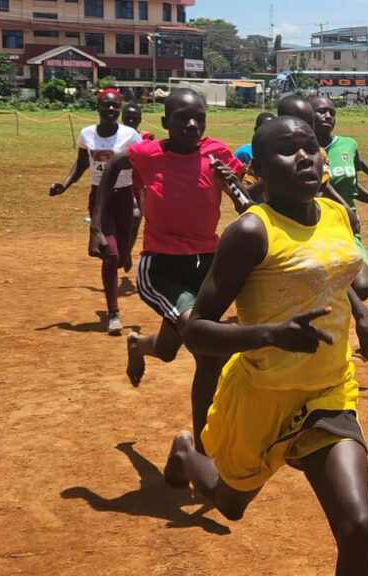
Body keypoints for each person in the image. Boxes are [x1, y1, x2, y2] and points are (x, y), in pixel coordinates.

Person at [163, 116, 368, 576]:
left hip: (328, 392)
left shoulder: (336, 214)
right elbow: (197, 330)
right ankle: (188, 454)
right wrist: (270, 334)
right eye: (287, 151)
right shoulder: (252, 232)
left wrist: (364, 318)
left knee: (358, 528)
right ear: (259, 170)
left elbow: (334, 276)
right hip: (261, 398)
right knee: (230, 504)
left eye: (310, 146)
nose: (304, 157)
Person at [90, 88, 249, 453]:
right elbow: (113, 166)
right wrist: (96, 226)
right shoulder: (150, 154)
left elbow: (245, 199)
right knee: (207, 347)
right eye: (181, 118)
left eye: (199, 119)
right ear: (165, 122)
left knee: (166, 349)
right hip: (161, 266)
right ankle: (204, 451)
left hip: (206, 265)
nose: (192, 125)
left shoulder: (217, 153)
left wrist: (237, 181)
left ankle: (137, 346)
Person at [49, 88, 142, 335]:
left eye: (114, 106)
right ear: (98, 107)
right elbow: (81, 164)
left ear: (119, 109)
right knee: (110, 256)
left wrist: (143, 197)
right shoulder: (87, 134)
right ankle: (113, 313)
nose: (110, 109)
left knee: (119, 257)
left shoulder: (130, 135)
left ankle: (125, 254)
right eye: (105, 105)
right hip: (100, 199)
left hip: (124, 197)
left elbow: (145, 163)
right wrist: (64, 185)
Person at [309, 95, 368, 301]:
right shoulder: (304, 150)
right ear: (307, 115)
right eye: (321, 111)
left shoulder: (348, 144)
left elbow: (353, 181)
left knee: (362, 287)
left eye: (332, 112)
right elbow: (324, 185)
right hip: (315, 225)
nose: (328, 116)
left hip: (348, 225)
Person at [121, 103, 155, 267]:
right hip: (120, 182)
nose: (131, 120)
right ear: (122, 118)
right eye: (127, 117)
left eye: (134, 118)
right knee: (125, 219)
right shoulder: (117, 136)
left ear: (140, 119)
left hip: (138, 184)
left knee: (136, 221)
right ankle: (120, 249)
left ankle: (126, 251)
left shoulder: (146, 138)